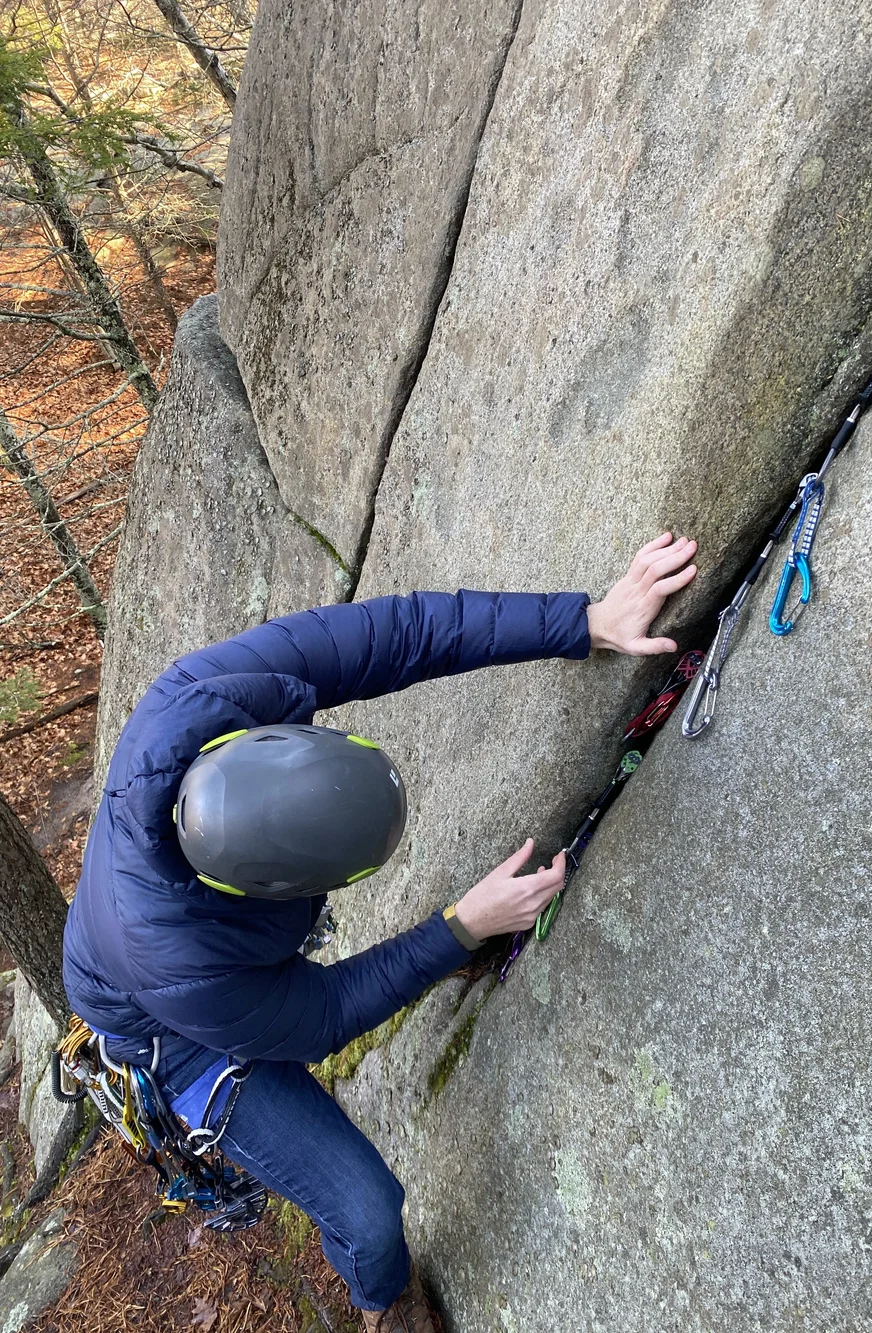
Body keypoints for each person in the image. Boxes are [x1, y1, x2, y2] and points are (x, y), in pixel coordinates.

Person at [62, 532, 697, 1331]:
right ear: (274, 889)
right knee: (368, 1209)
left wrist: (585, 620)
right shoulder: (194, 971)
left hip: (177, 949)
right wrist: (463, 926)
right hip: (163, 1031)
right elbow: (323, 1015)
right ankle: (381, 1305)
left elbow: (398, 633)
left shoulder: (209, 692)